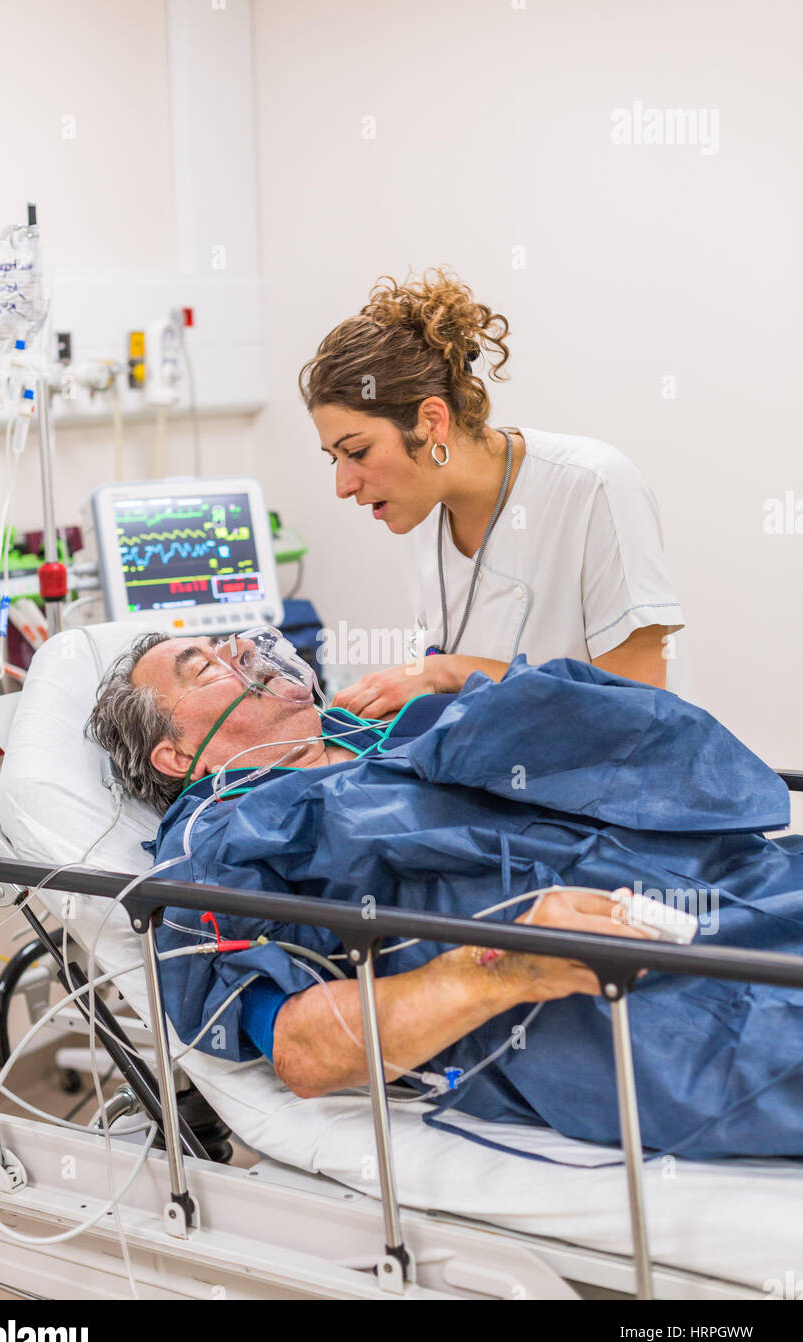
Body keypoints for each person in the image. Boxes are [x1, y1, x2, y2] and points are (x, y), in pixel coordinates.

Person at [86, 626, 803, 1160]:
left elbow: (634, 737)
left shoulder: (397, 727)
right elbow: (302, 1051)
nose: (243, 653)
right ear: (176, 755)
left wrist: (462, 681)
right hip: (600, 996)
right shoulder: (219, 844)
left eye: (230, 640)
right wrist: (503, 965)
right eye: (203, 666)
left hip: (734, 882)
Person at [299, 268, 685, 719]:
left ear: (431, 421)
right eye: (334, 458)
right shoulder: (423, 516)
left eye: (358, 452)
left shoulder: (593, 486)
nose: (343, 486)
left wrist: (445, 672)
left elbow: (639, 706)